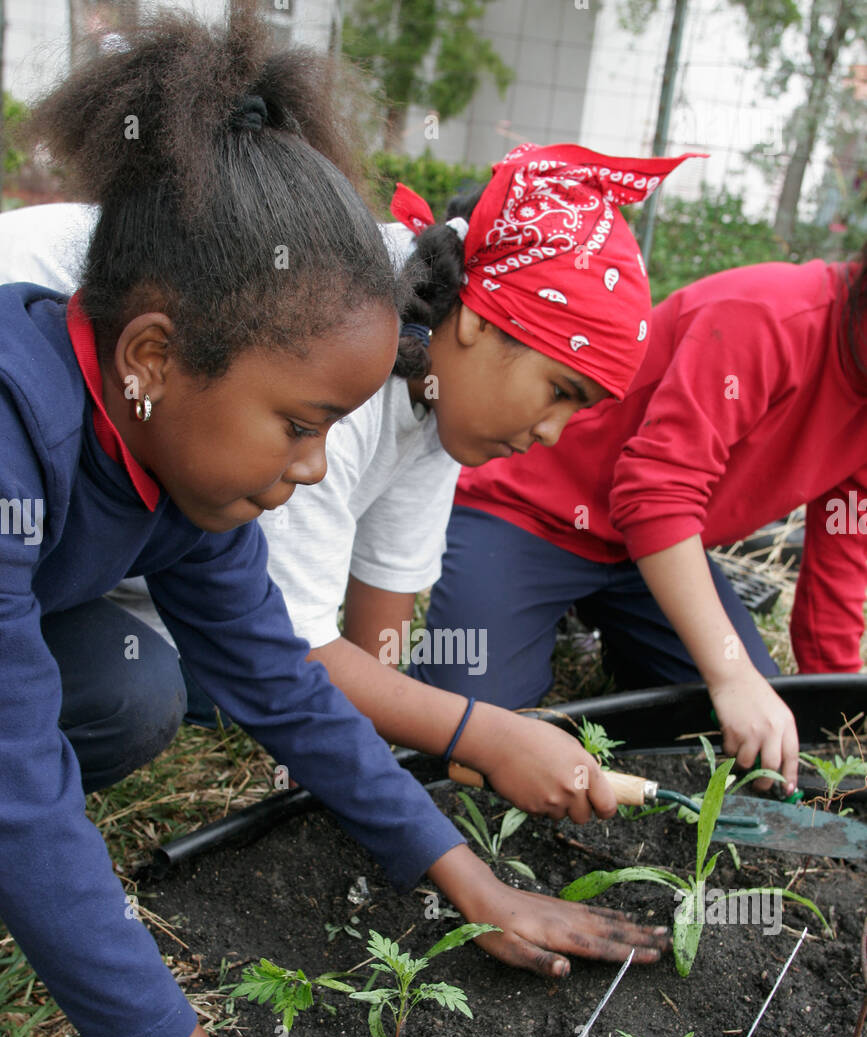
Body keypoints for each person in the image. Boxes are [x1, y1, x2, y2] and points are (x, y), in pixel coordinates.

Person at [0, 11, 665, 1037]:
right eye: (299, 423)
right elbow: (16, 785)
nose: (315, 469)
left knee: (114, 685)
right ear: (153, 353)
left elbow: (284, 682)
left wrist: (469, 879)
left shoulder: (171, 473)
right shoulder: (13, 429)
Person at [0, 142, 697, 826]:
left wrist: (371, 764)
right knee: (186, 683)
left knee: (219, 677)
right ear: (481, 323)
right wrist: (479, 734)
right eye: (558, 391)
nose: (553, 431)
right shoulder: (332, 343)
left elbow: (376, 621)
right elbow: (289, 646)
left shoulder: (436, 382)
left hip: (94, 538)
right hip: (43, 489)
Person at [418, 247, 867, 794]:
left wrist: (842, 724)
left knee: (759, 739)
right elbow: (656, 493)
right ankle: (549, 612)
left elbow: (840, 562)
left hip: (650, 554)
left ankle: (617, 630)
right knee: (475, 729)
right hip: (530, 513)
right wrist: (731, 675)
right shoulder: (768, 315)